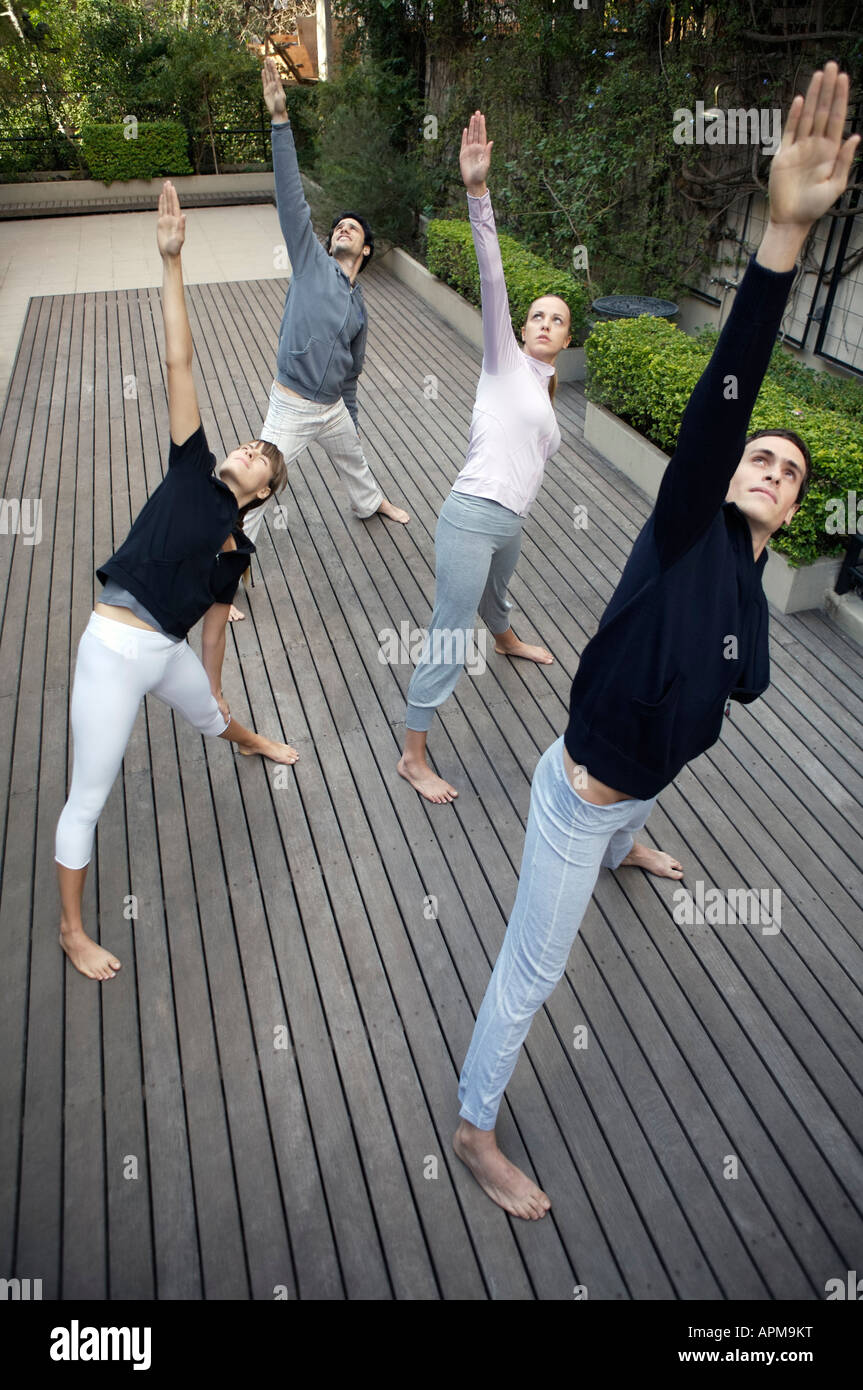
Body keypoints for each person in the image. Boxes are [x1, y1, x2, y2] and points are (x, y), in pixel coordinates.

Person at [453, 63, 859, 1219]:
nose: (769, 468)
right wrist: (780, 236)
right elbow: (727, 396)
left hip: (633, 788)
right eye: (759, 457)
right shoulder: (687, 529)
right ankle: (472, 1123)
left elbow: (709, 697)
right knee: (532, 970)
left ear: (789, 511)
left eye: (788, 471)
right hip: (578, 793)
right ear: (725, 474)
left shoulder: (744, 577)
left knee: (639, 797)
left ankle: (631, 840)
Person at [56, 179, 299, 983]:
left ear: (262, 491)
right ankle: (71, 929)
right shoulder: (191, 466)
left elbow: (218, 621)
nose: (247, 449)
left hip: (166, 652)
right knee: (87, 798)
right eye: (250, 443)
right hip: (115, 645)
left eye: (262, 455)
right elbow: (178, 357)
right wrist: (171, 261)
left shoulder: (236, 547)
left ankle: (249, 736)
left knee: (208, 713)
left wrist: (216, 687)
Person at [397, 111, 569, 803]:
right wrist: (477, 194)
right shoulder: (504, 361)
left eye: (559, 319)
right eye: (538, 316)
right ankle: (413, 755)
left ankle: (504, 639)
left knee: (496, 598)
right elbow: (492, 277)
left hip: (509, 521)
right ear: (521, 329)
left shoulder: (547, 385)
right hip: (470, 515)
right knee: (447, 629)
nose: (548, 323)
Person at [227, 57, 409, 622]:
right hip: (291, 406)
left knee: (354, 457)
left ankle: (367, 501)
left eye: (353, 228)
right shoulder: (310, 263)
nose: (341, 229)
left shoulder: (360, 307)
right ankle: (223, 582)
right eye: (339, 226)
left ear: (368, 251)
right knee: (256, 495)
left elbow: (353, 373)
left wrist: (348, 416)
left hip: (332, 408)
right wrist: (280, 121)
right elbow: (291, 200)